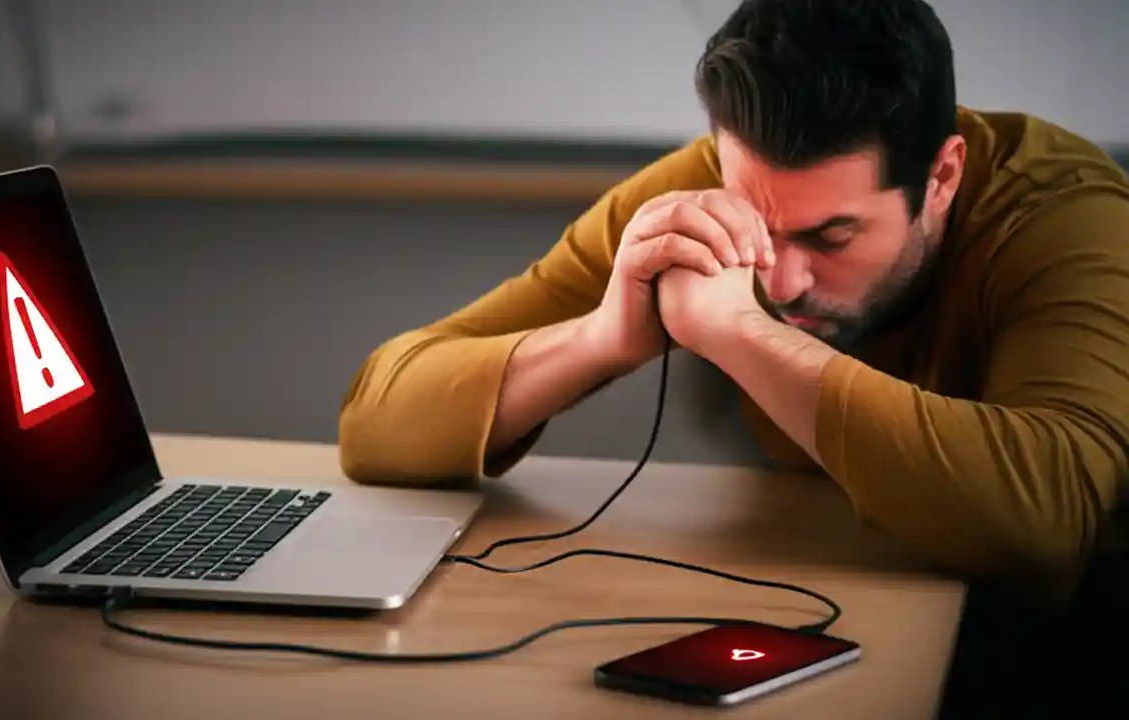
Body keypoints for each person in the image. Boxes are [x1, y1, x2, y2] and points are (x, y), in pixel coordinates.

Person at [338, 0, 1129, 714]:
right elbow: (376, 423)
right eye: (759, 222)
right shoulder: (702, 192)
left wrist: (744, 335)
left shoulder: (1069, 217)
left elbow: (1043, 525)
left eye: (833, 236)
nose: (781, 279)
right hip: (836, 599)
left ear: (944, 176)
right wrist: (605, 337)